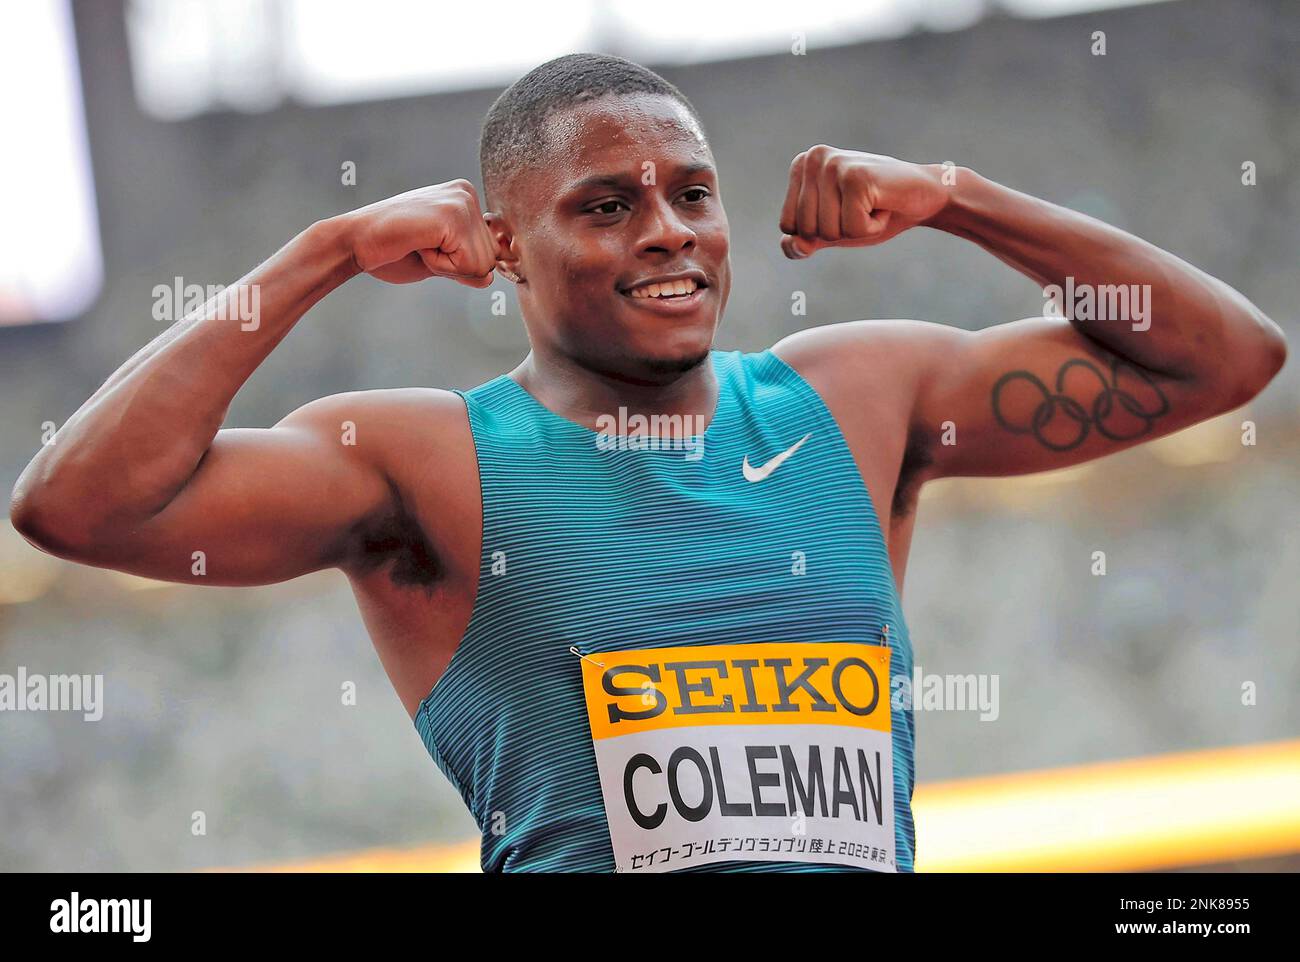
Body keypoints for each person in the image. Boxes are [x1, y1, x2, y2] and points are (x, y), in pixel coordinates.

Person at [10, 53, 1286, 873]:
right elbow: (77, 504)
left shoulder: (856, 396)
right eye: (606, 204)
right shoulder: (420, 457)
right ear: (503, 249)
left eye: (691, 191)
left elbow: (1222, 360)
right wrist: (326, 249)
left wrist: (953, 195)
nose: (667, 231)